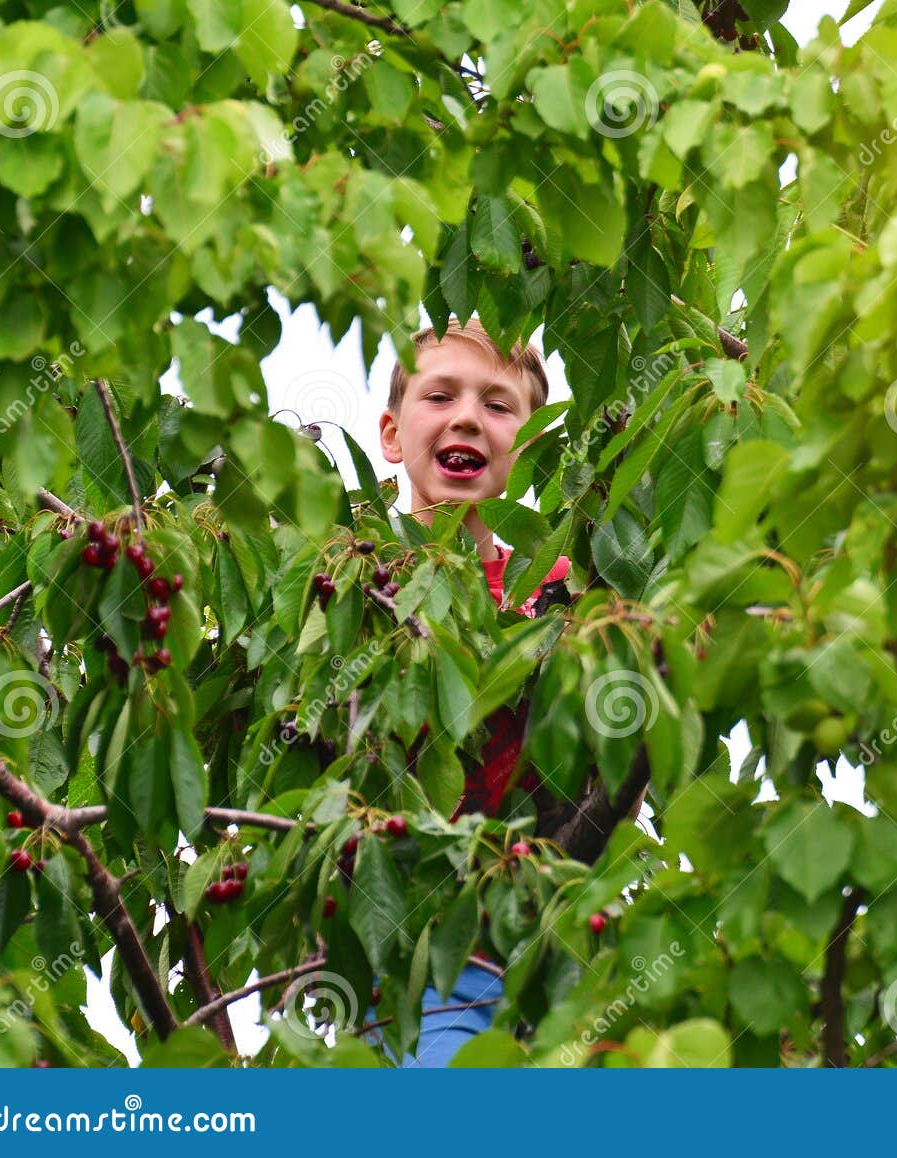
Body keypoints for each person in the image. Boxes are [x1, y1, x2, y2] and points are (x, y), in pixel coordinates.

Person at [374, 315, 570, 1066]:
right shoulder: (356, 582)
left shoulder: (557, 589)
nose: (466, 417)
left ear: (526, 443)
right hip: (397, 956)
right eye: (441, 396)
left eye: (497, 405)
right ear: (393, 436)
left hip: (534, 942)